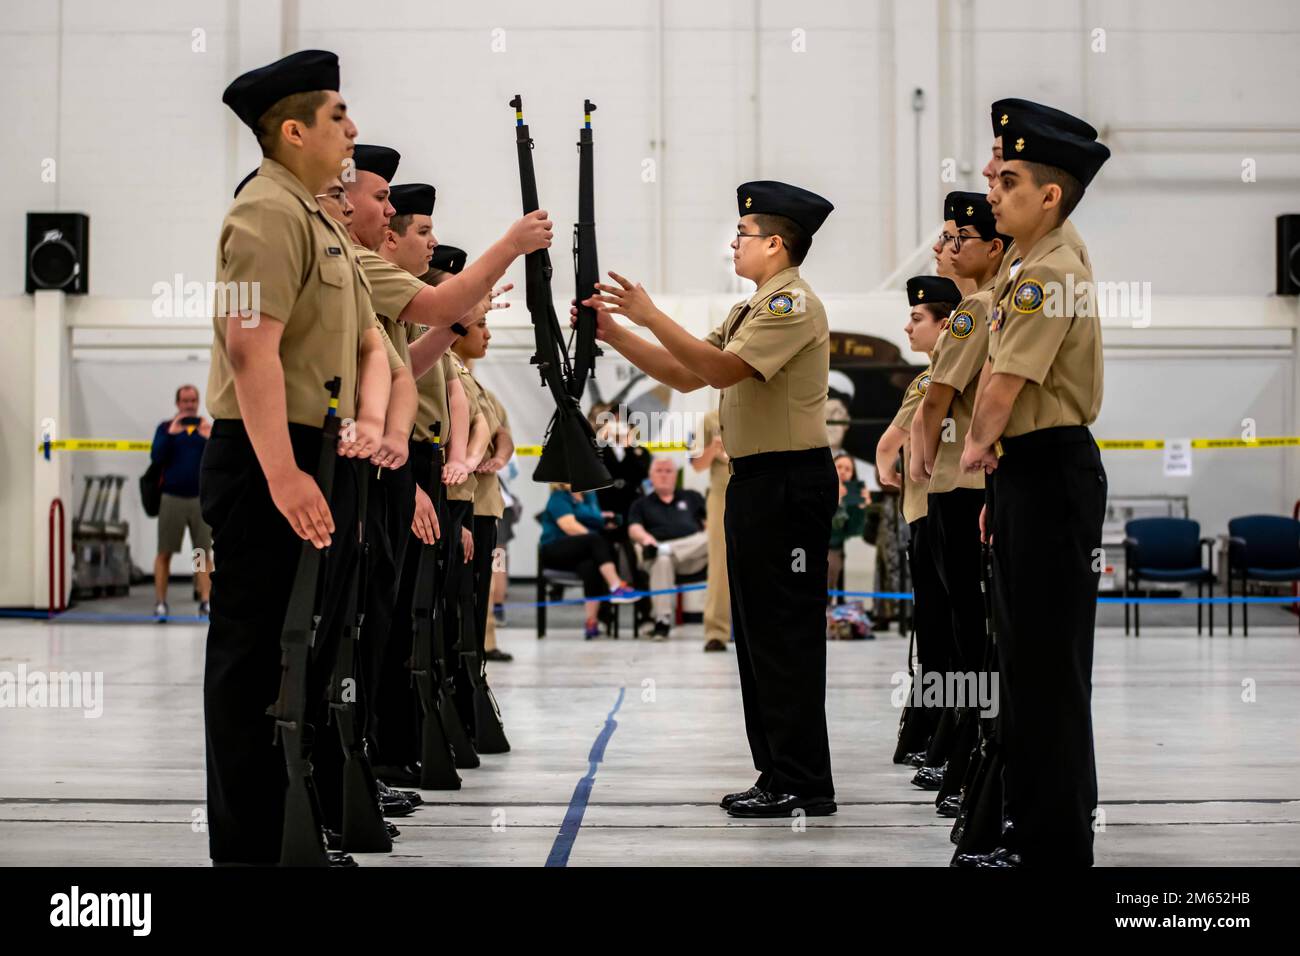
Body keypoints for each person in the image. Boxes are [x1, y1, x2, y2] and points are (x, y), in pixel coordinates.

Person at [579, 180, 837, 818]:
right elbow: (688, 372)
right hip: (754, 480)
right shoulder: (753, 307)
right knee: (756, 636)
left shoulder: (791, 305)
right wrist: (613, 334)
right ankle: (777, 772)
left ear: (776, 244)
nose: (735, 243)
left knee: (784, 634)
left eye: (744, 234)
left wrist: (647, 315)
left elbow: (721, 371)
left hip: (787, 481)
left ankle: (805, 781)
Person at [202, 49, 391, 866]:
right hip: (263, 456)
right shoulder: (264, 216)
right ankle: (248, 848)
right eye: (338, 115)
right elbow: (251, 352)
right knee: (252, 654)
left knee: (298, 647)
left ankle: (289, 828)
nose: (352, 128)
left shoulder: (309, 214)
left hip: (308, 448)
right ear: (292, 129)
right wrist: (283, 476)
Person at [956, 109, 1110, 868]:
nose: (991, 183)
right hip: (1034, 472)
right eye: (993, 170)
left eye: (1008, 177)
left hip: (1046, 470)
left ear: (1051, 195)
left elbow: (1003, 384)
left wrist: (977, 454)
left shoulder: (1046, 270)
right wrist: (998, 483)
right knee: (1033, 665)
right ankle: (1044, 826)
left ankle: (1048, 842)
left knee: (1043, 669)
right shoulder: (1039, 255)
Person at [909, 191, 1009, 818]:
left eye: (957, 239)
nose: (944, 249)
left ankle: (972, 751)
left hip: (963, 490)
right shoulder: (978, 307)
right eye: (944, 238)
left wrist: (918, 458)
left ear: (991, 246)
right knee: (954, 636)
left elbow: (937, 399)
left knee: (971, 639)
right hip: (955, 491)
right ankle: (960, 745)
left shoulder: (976, 310)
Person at [875, 276, 960, 777]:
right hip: (930, 513)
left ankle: (937, 735)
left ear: (945, 323)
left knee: (940, 632)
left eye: (917, 318)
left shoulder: (932, 381)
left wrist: (891, 468)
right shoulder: (930, 375)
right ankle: (932, 731)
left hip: (934, 513)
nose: (907, 325)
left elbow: (890, 443)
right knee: (938, 631)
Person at [538, 485, 638, 638]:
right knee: (596, 541)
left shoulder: (589, 496)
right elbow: (569, 526)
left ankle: (591, 622)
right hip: (555, 549)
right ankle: (616, 586)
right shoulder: (559, 497)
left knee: (590, 566)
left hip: (581, 552)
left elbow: (596, 518)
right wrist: (595, 540)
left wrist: (607, 520)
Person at [626, 457, 708, 640]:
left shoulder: (692, 497)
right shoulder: (641, 504)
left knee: (713, 537)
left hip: (692, 559)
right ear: (651, 476)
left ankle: (667, 548)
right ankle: (662, 620)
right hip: (656, 559)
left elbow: (709, 524)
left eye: (668, 471)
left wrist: (667, 548)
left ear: (675, 475)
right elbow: (634, 528)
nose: (663, 475)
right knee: (662, 560)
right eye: (659, 471)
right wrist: (646, 539)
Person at [151, 384, 213, 620]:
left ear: (197, 403)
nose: (189, 405)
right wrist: (171, 433)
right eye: (184, 401)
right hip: (172, 499)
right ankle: (160, 603)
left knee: (200, 553)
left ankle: (205, 601)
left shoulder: (205, 429)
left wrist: (209, 438)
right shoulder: (166, 428)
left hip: (199, 500)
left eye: (193, 400)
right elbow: (156, 457)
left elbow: (217, 460)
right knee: (164, 552)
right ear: (177, 403)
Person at [690, 408, 730, 652]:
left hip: (759, 491)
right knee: (720, 565)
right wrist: (714, 448)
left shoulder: (760, 412)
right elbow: (696, 465)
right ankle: (716, 631)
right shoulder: (710, 419)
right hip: (722, 495)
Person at [828, 451, 868, 600]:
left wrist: (861, 510)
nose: (843, 472)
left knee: (834, 560)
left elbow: (855, 531)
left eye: (848, 469)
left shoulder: (852, 496)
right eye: (839, 467)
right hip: (816, 549)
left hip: (835, 551)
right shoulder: (818, 490)